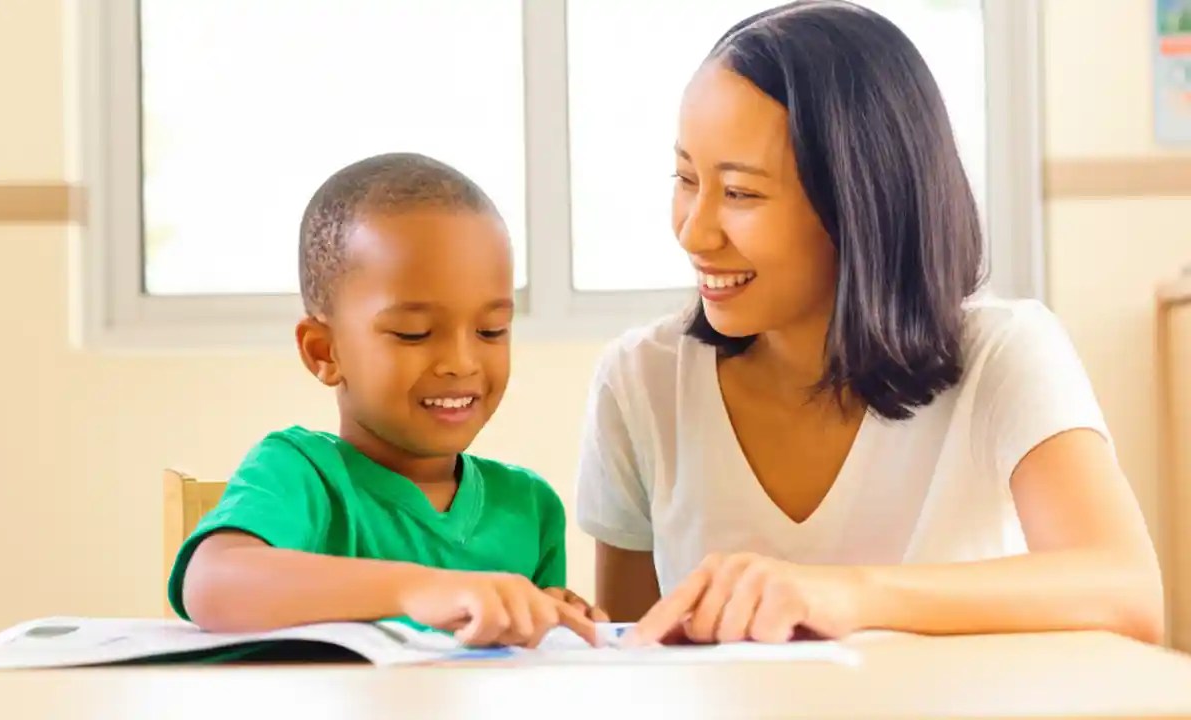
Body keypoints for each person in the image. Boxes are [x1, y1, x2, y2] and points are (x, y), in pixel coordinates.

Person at [576, 0, 1163, 646]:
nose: (693, 229)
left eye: (740, 192)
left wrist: (848, 594)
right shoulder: (641, 383)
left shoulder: (1005, 355)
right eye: (686, 178)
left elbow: (1127, 595)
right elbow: (632, 660)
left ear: (859, 202)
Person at [170, 152, 603, 648]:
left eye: (491, 330)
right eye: (414, 333)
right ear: (324, 351)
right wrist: (420, 589)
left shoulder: (529, 507)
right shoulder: (300, 474)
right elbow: (212, 585)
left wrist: (550, 618)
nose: (461, 362)